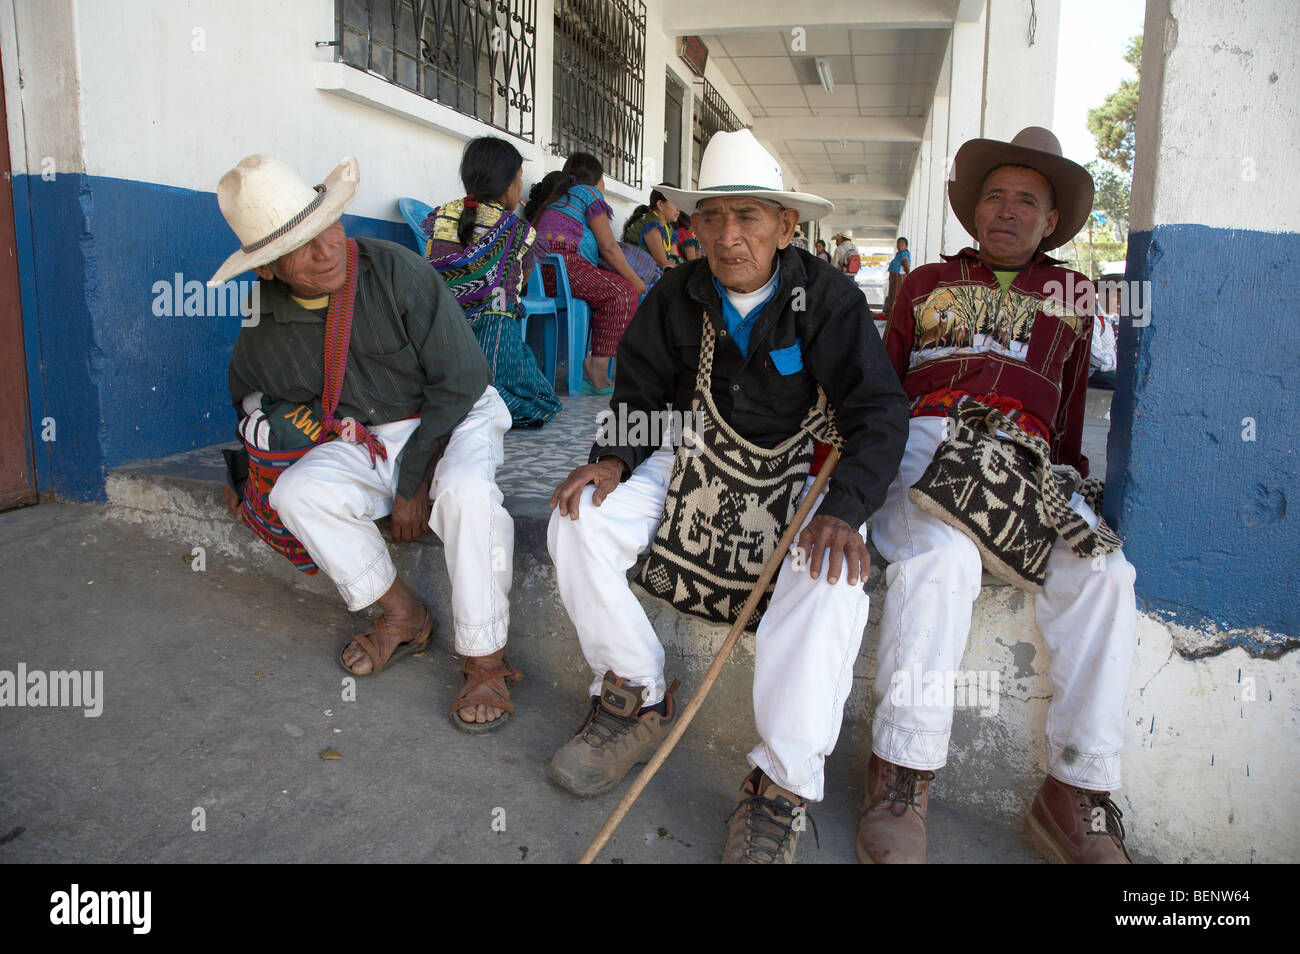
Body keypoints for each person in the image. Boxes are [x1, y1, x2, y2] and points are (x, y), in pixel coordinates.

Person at [545, 129, 909, 864]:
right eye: (712, 217)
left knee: (835, 584)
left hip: (801, 475)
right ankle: (637, 692)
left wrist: (845, 509)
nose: (729, 235)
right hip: (697, 463)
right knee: (578, 517)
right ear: (695, 226)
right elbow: (641, 390)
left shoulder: (827, 297)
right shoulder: (676, 294)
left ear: (784, 226)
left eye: (749, 217)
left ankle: (780, 783)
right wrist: (613, 459)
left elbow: (878, 412)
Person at [865, 127, 1137, 863]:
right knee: (941, 555)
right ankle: (903, 771)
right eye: (994, 196)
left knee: (1107, 574)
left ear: (1051, 221)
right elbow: (880, 390)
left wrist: (1070, 484)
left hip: (1026, 463)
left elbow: (1069, 414)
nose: (1007, 211)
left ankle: (1074, 789)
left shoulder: (1074, 296)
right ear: (972, 210)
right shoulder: (923, 283)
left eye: (1026, 201)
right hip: (930, 438)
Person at [213, 154, 523, 733]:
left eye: (326, 227)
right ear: (266, 269)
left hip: (455, 415)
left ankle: (484, 658)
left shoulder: (396, 271)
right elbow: (250, 397)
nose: (326, 249)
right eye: (300, 247)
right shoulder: (265, 317)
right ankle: (403, 615)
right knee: (299, 492)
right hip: (369, 436)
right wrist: (268, 442)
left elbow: (459, 383)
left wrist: (411, 484)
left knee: (464, 495)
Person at [423, 136, 562, 428]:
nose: (521, 186)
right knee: (542, 401)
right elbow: (519, 287)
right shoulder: (521, 231)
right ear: (508, 183)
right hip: (495, 334)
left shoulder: (441, 214)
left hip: (439, 332)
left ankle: (460, 399)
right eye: (520, 178)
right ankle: (484, 403)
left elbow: (430, 266)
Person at [525, 154, 646, 394]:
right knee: (624, 293)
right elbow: (609, 247)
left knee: (612, 289)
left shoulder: (556, 198)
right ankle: (597, 368)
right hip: (568, 269)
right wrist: (637, 281)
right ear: (597, 179)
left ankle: (596, 364)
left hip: (541, 277)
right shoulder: (588, 194)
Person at [622, 187, 681, 269]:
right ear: (660, 204)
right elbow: (662, 262)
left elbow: (675, 257)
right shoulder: (651, 225)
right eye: (675, 202)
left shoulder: (668, 227)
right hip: (637, 273)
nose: (679, 209)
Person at [883, 236, 910, 316]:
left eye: (902, 243)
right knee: (892, 293)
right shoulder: (899, 253)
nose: (899, 245)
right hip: (895, 277)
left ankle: (893, 314)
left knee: (896, 294)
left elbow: (906, 263)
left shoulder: (904, 253)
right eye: (898, 243)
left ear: (906, 246)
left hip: (898, 277)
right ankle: (890, 312)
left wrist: (908, 273)